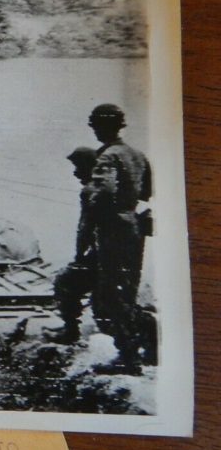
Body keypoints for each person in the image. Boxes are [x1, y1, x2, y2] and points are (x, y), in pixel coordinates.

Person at [86, 103, 155, 371]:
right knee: (128, 288)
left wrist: (91, 215)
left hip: (112, 229)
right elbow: (147, 192)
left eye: (95, 125)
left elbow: (101, 195)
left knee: (110, 294)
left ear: (102, 127)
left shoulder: (106, 157)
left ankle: (128, 358)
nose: (93, 130)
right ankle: (150, 342)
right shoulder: (137, 155)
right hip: (134, 227)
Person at [46, 147, 99, 344]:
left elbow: (85, 227)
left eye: (78, 167)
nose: (76, 173)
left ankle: (70, 331)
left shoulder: (89, 191)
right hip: (117, 253)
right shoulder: (111, 187)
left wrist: (79, 255)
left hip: (98, 254)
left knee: (64, 282)